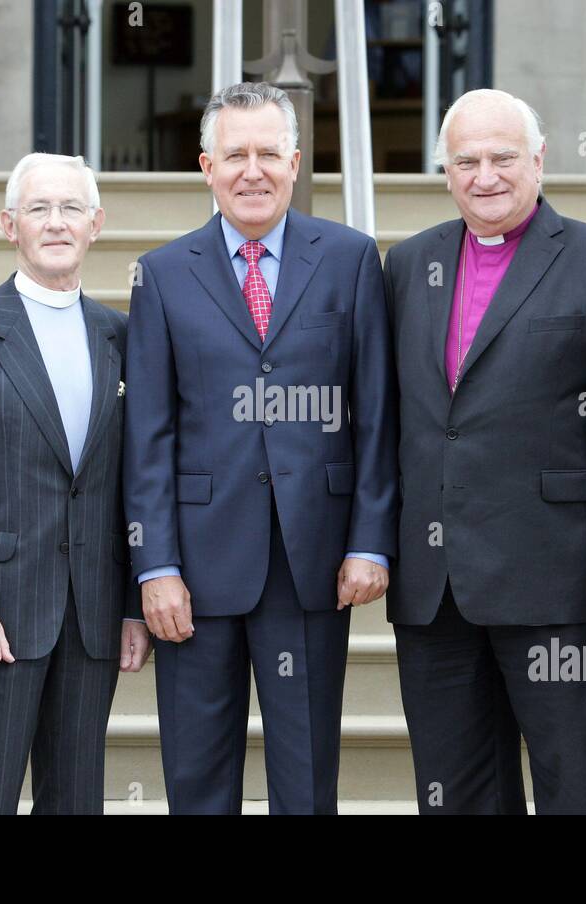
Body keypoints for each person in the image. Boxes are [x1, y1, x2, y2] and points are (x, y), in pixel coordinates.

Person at [383, 89, 586, 814]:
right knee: (456, 792)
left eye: (502, 158)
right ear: (445, 171)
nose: (485, 176)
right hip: (437, 587)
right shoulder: (409, 265)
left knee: (578, 785)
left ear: (539, 161)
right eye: (466, 161)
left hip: (561, 583)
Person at [123, 82, 397, 814]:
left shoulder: (349, 259)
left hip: (312, 559)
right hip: (196, 568)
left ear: (296, 162)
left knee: (306, 778)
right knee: (197, 775)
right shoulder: (162, 273)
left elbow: (375, 414)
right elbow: (147, 434)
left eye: (269, 153)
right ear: (206, 165)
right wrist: (154, 564)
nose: (253, 170)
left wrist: (371, 541)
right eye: (235, 154)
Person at [0, 153, 148, 814]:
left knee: (76, 800)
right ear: (9, 224)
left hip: (93, 613)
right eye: (39, 209)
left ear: (96, 224)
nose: (56, 223)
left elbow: (136, 478)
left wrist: (134, 603)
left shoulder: (123, 336)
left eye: (71, 208)